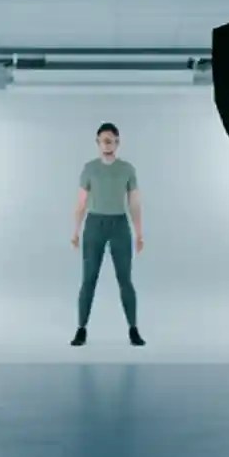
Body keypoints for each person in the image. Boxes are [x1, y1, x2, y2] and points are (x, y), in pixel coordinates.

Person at [71, 123, 145, 346]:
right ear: (97, 143)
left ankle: (133, 329)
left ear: (117, 142)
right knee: (88, 279)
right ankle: (81, 329)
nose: (107, 145)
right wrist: (75, 231)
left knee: (125, 279)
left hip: (119, 224)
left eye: (111, 140)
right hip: (95, 225)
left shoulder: (127, 169)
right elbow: (81, 203)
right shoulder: (89, 169)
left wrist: (139, 233)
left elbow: (134, 202)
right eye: (103, 141)